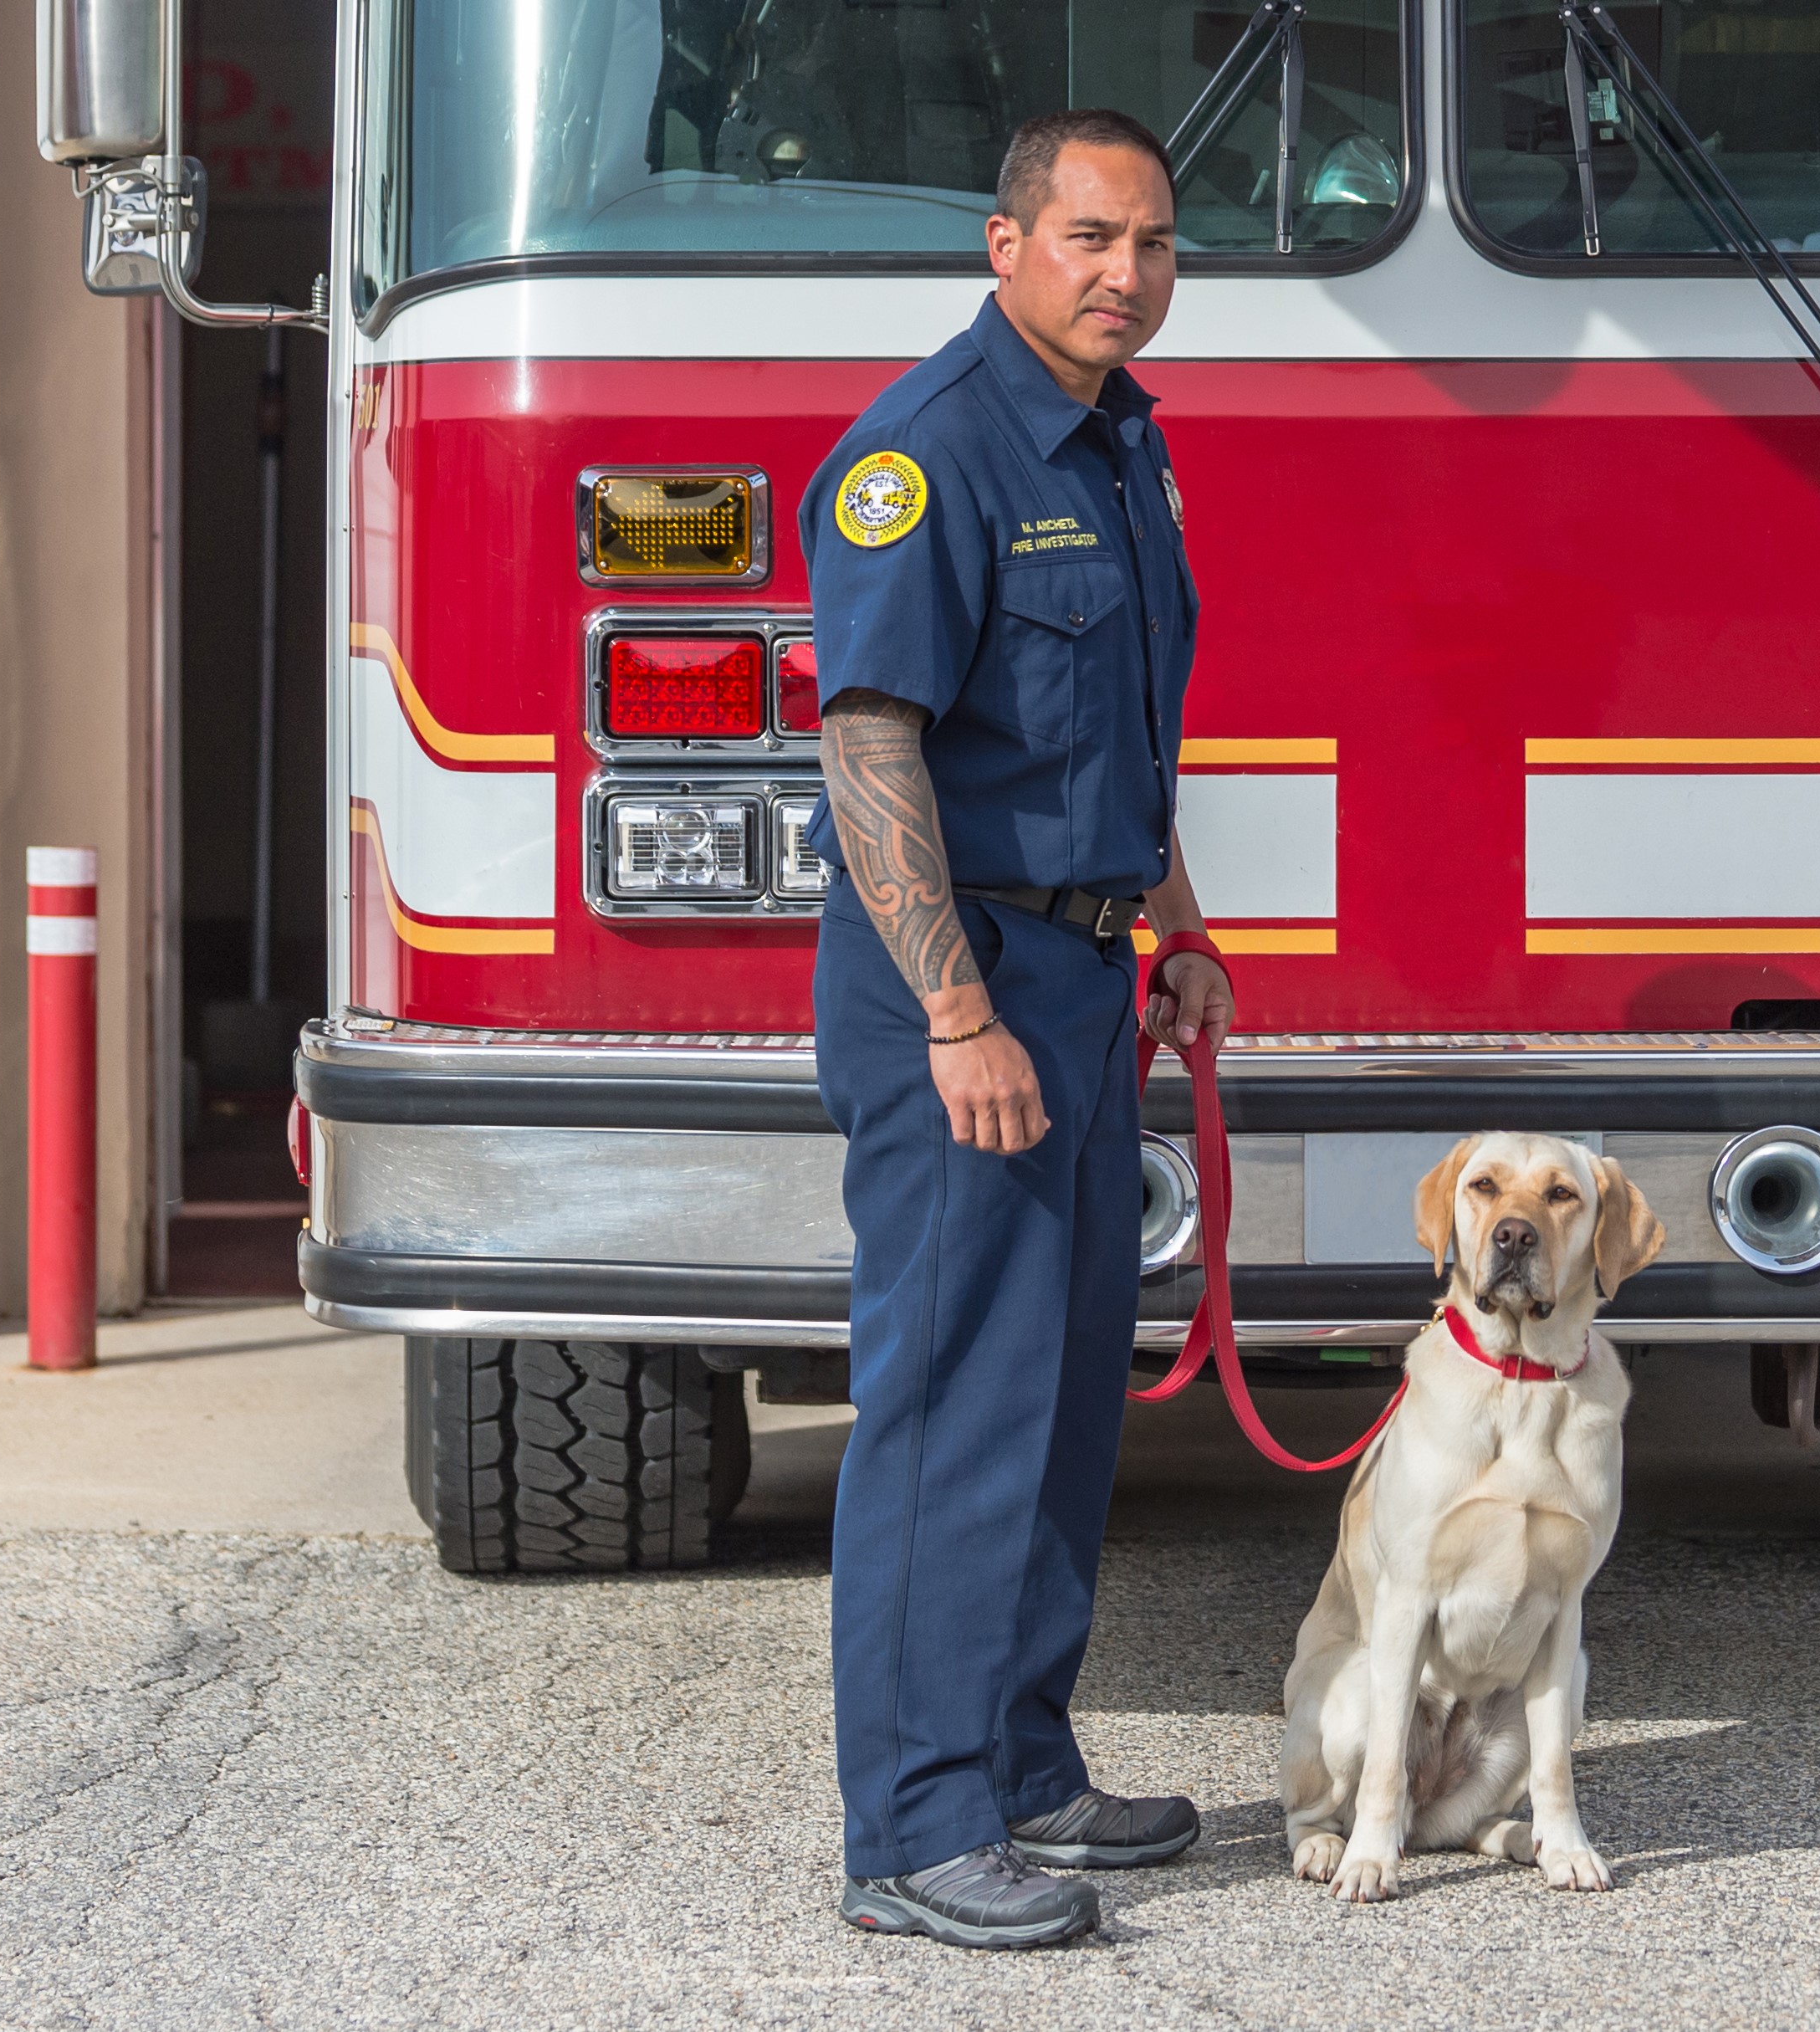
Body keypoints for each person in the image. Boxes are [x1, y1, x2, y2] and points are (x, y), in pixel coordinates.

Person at [797, 107, 1235, 1952]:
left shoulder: (1120, 446)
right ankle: (910, 1831)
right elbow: (869, 737)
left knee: (1056, 1404)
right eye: (1085, 238)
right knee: (948, 1409)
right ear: (1003, 245)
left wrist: (1180, 919)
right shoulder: (925, 454)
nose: (1121, 273)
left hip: (1083, 975)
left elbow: (1113, 724)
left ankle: (1022, 1762)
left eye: (1148, 243)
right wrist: (958, 1010)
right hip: (957, 991)